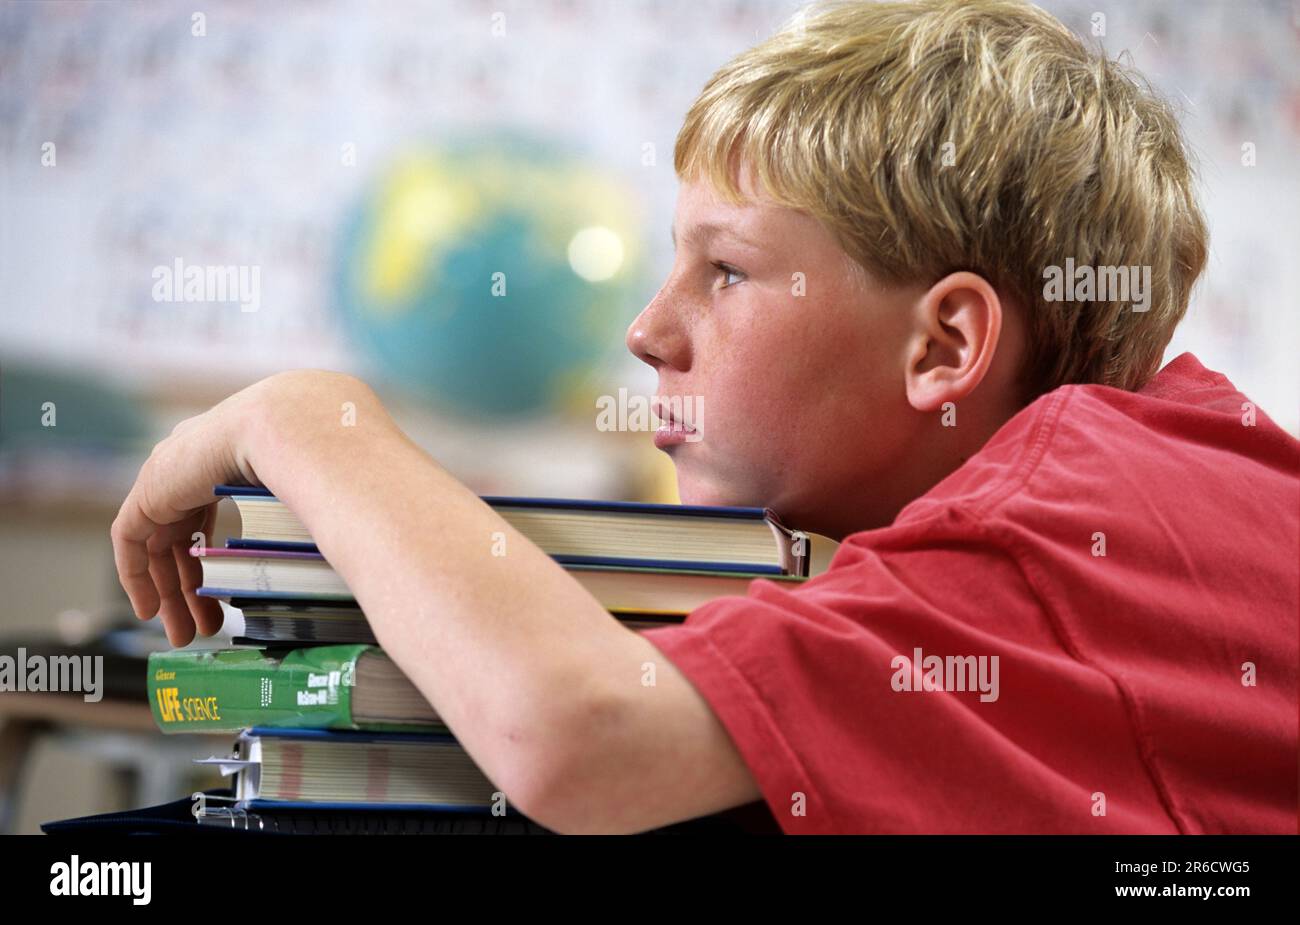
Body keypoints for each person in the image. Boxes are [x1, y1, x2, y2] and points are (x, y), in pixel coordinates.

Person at [110, 0, 1298, 833]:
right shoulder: (1182, 469)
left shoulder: (1047, 512)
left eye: (724, 271)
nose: (647, 332)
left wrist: (310, 418)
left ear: (944, 346)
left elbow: (575, 738)